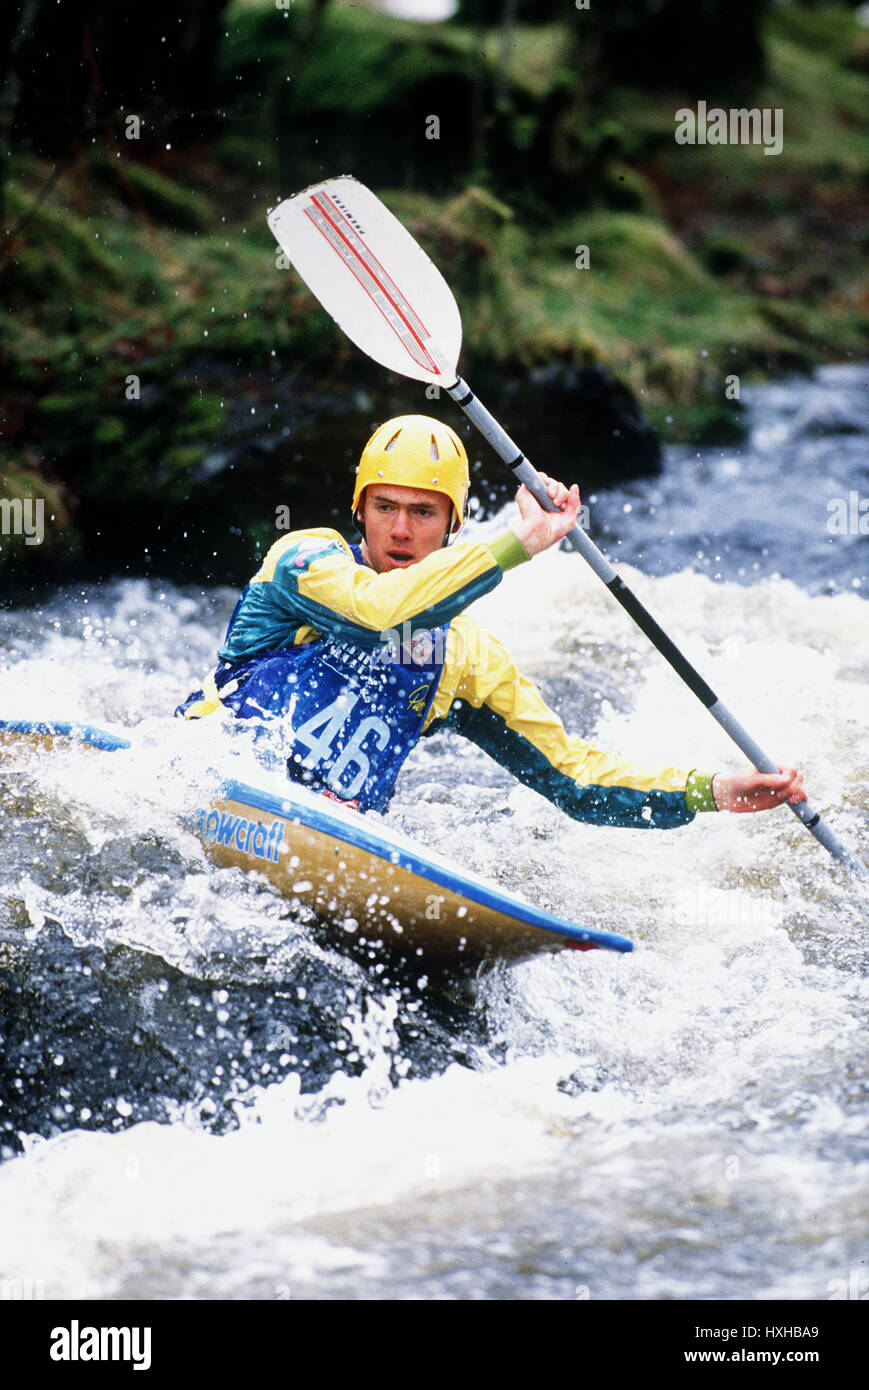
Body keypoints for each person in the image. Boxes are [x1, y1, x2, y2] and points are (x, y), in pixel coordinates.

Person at [177, 414, 805, 824]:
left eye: (423, 513)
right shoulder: (304, 560)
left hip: (328, 831)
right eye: (385, 507)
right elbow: (378, 615)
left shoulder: (464, 661)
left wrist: (712, 790)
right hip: (194, 781)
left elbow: (573, 777)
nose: (400, 529)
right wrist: (519, 544)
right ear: (359, 508)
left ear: (453, 524)